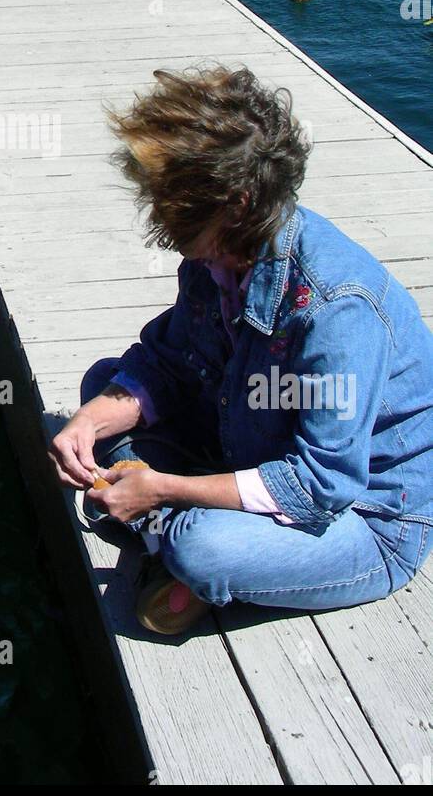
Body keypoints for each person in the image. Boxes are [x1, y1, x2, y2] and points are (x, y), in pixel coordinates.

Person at [50, 65, 433, 635]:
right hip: (251, 439)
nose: (156, 217)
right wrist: (89, 420)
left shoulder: (334, 310)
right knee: (101, 385)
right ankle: (170, 522)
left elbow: (320, 485)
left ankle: (174, 537)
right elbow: (166, 364)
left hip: (365, 515)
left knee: (201, 550)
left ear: (237, 202)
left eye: (170, 204)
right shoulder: (216, 260)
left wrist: (164, 488)